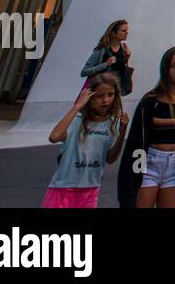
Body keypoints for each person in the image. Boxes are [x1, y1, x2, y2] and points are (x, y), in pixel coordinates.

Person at [118, 45, 175, 207]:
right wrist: (132, 177)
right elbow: (137, 141)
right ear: (165, 69)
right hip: (149, 164)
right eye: (173, 65)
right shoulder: (150, 101)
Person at [43, 72, 127, 208]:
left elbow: (110, 159)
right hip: (63, 188)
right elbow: (54, 137)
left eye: (110, 95)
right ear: (89, 97)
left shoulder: (113, 125)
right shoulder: (76, 122)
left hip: (90, 189)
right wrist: (77, 107)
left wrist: (122, 132)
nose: (105, 100)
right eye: (99, 96)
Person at [81, 19, 133, 96]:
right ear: (113, 33)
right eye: (123, 31)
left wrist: (126, 57)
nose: (127, 33)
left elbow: (117, 67)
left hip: (115, 93)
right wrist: (106, 64)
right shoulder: (101, 50)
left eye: (127, 30)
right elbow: (84, 72)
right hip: (100, 94)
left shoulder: (123, 48)